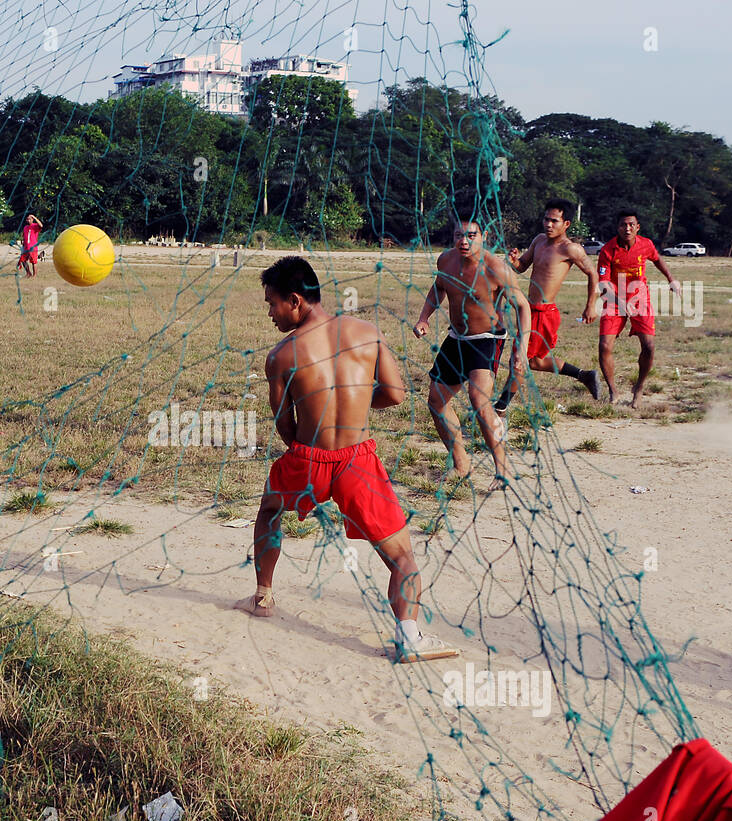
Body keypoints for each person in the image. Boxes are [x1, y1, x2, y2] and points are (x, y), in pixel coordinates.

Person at [234, 256, 458, 664]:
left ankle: (263, 597)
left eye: (272, 303)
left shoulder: (282, 355)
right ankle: (409, 637)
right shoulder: (367, 333)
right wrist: (351, 406)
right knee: (402, 557)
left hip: (308, 459)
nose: (269, 313)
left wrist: (308, 437)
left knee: (269, 510)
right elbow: (394, 393)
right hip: (358, 460)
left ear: (296, 301)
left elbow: (284, 424)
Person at [415, 218, 530, 483]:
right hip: (457, 338)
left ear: (484, 235)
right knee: (436, 401)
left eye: (471, 235)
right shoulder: (445, 261)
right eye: (458, 234)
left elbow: (523, 307)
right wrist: (424, 318)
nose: (464, 241)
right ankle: (461, 464)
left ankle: (502, 470)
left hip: (488, 338)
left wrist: (520, 349)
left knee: (479, 401)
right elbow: (439, 288)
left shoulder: (497, 268)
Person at [496, 199, 601, 412]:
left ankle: (500, 408)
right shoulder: (539, 241)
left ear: (566, 224)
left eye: (554, 221)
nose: (549, 224)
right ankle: (584, 375)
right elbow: (523, 266)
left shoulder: (571, 249)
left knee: (520, 358)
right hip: (528, 310)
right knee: (533, 362)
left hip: (544, 313)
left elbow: (592, 273)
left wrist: (591, 305)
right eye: (546, 219)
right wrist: (514, 261)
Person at [596, 211, 682, 407]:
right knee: (604, 346)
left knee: (649, 346)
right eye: (623, 225)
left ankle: (639, 387)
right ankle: (613, 391)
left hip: (639, 298)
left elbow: (658, 259)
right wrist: (619, 302)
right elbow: (604, 284)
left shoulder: (646, 244)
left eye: (631, 225)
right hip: (614, 300)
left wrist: (672, 279)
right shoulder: (608, 250)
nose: (627, 228)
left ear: (637, 227)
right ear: (617, 227)